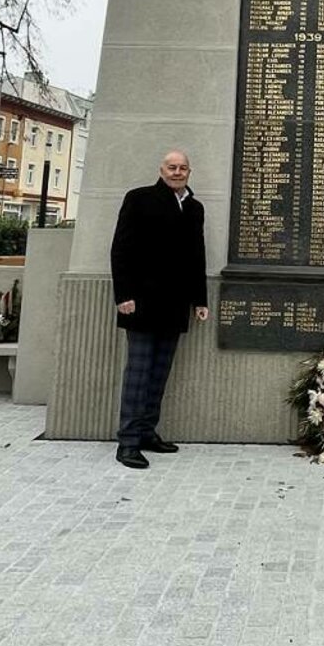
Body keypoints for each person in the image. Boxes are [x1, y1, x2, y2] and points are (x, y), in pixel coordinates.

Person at [109, 149, 208, 469]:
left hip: (176, 304)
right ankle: (128, 441)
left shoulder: (194, 208)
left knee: (160, 373)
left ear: (189, 172)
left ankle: (147, 431)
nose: (177, 172)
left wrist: (200, 300)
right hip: (141, 302)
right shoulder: (139, 198)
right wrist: (123, 294)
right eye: (172, 167)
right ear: (161, 169)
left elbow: (197, 256)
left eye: (183, 168)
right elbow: (120, 249)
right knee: (138, 373)